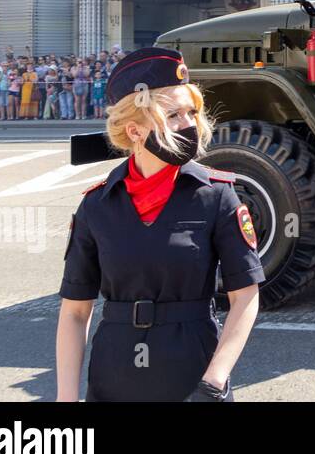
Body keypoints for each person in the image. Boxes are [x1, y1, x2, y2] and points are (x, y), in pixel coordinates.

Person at [56, 46, 263, 402]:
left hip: (194, 380)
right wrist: (65, 398)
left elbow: (245, 297)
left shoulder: (217, 196)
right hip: (112, 380)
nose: (189, 125)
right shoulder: (96, 205)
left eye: (191, 112)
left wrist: (214, 382)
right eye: (173, 115)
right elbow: (75, 311)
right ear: (135, 131)